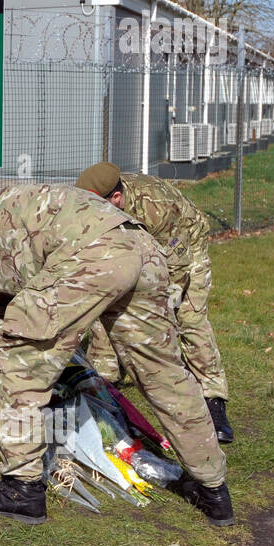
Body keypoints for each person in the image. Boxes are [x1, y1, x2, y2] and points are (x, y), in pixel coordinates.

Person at [0, 185, 232, 527]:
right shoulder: (1, 204)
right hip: (140, 245)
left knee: (19, 364)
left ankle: (22, 489)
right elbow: (2, 311)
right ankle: (212, 487)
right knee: (163, 372)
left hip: (89, 254)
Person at [76, 161, 233, 442]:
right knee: (108, 303)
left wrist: (157, 311)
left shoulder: (156, 207)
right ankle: (104, 384)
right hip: (133, 245)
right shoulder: (97, 208)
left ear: (116, 198)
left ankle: (213, 399)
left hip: (184, 246)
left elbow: (177, 267)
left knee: (189, 318)